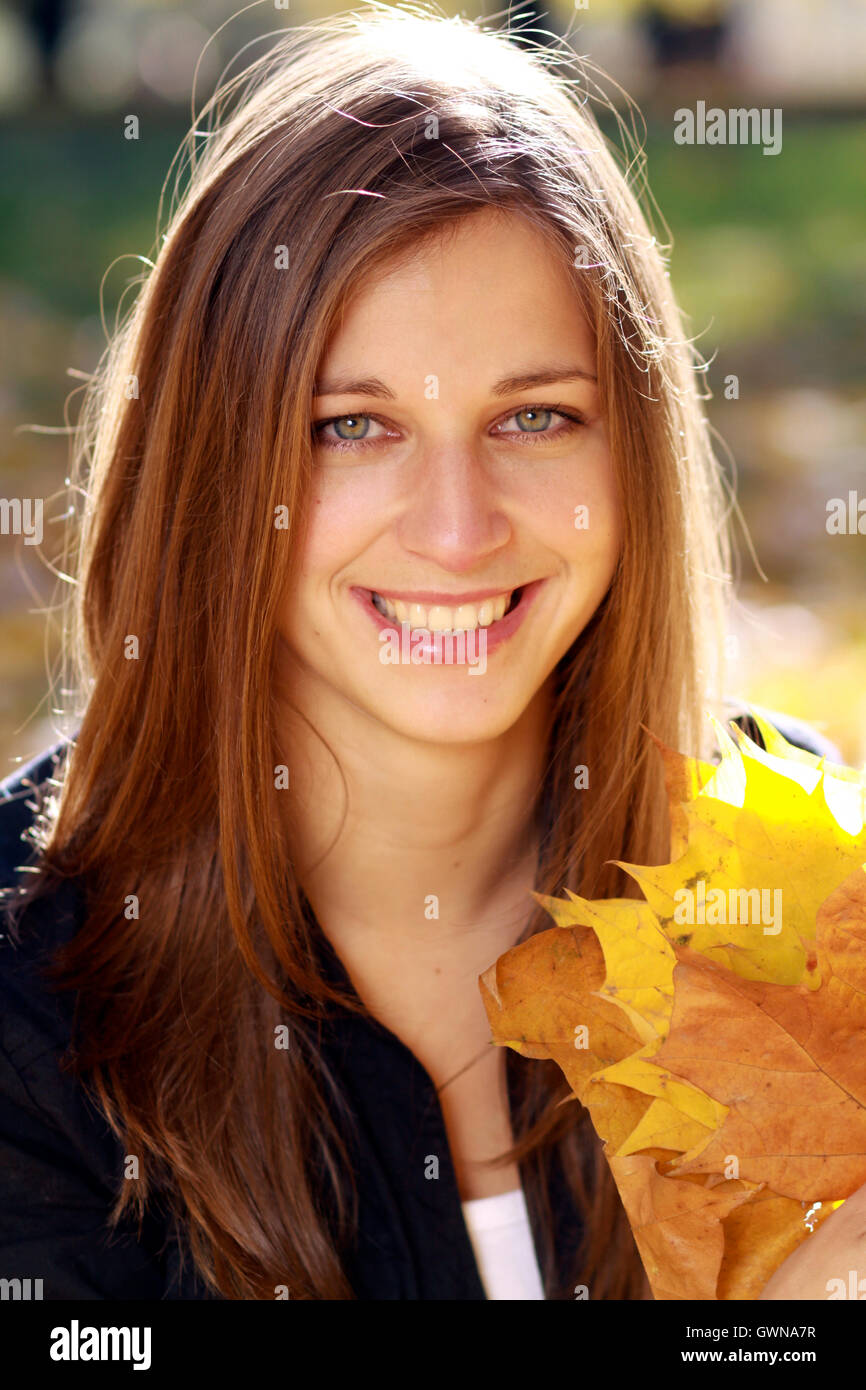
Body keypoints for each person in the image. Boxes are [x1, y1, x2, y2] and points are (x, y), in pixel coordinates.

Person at [0, 5, 851, 1301]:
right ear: (213, 466)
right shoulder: (29, 1007)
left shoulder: (791, 888)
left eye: (534, 415)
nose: (457, 529)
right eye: (351, 426)